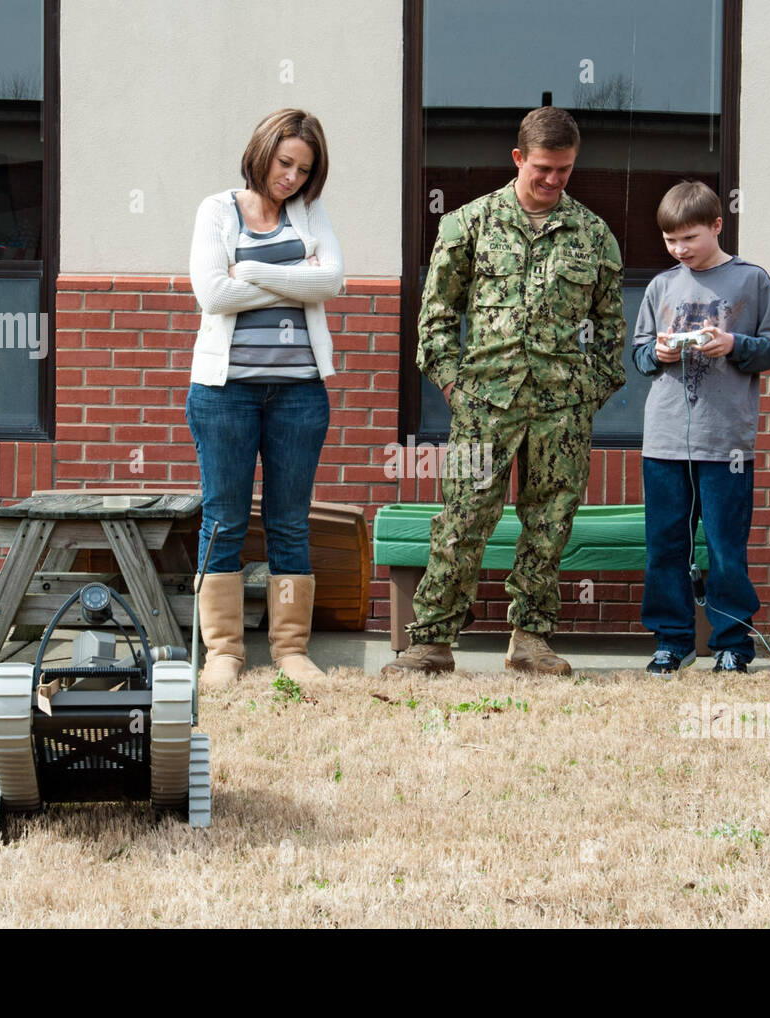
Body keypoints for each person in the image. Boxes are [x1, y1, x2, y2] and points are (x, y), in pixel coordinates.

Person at [381, 106, 626, 677]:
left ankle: (531, 641)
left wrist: (585, 392)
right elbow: (435, 318)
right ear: (518, 158)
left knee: (550, 524)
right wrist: (454, 387)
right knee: (463, 518)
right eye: (543, 167)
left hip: (561, 411)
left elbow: (612, 331)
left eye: (565, 169)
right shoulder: (469, 224)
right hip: (483, 406)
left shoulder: (593, 235)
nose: (553, 180)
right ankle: (432, 641)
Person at [186, 109, 343, 688]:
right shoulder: (217, 209)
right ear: (262, 151)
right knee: (224, 519)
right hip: (224, 394)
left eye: (303, 170)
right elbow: (212, 292)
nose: (292, 178)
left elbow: (331, 282)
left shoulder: (310, 213)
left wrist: (248, 266)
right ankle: (224, 652)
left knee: (289, 522)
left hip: (299, 393)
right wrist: (289, 272)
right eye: (285, 163)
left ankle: (291, 651)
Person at [632, 180, 770, 675]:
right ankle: (671, 642)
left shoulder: (752, 279)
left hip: (727, 442)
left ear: (718, 226)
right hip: (662, 440)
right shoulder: (661, 285)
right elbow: (638, 356)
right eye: (670, 241)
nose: (680, 250)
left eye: (690, 239)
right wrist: (654, 353)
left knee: (725, 546)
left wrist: (735, 345)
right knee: (665, 545)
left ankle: (732, 646)